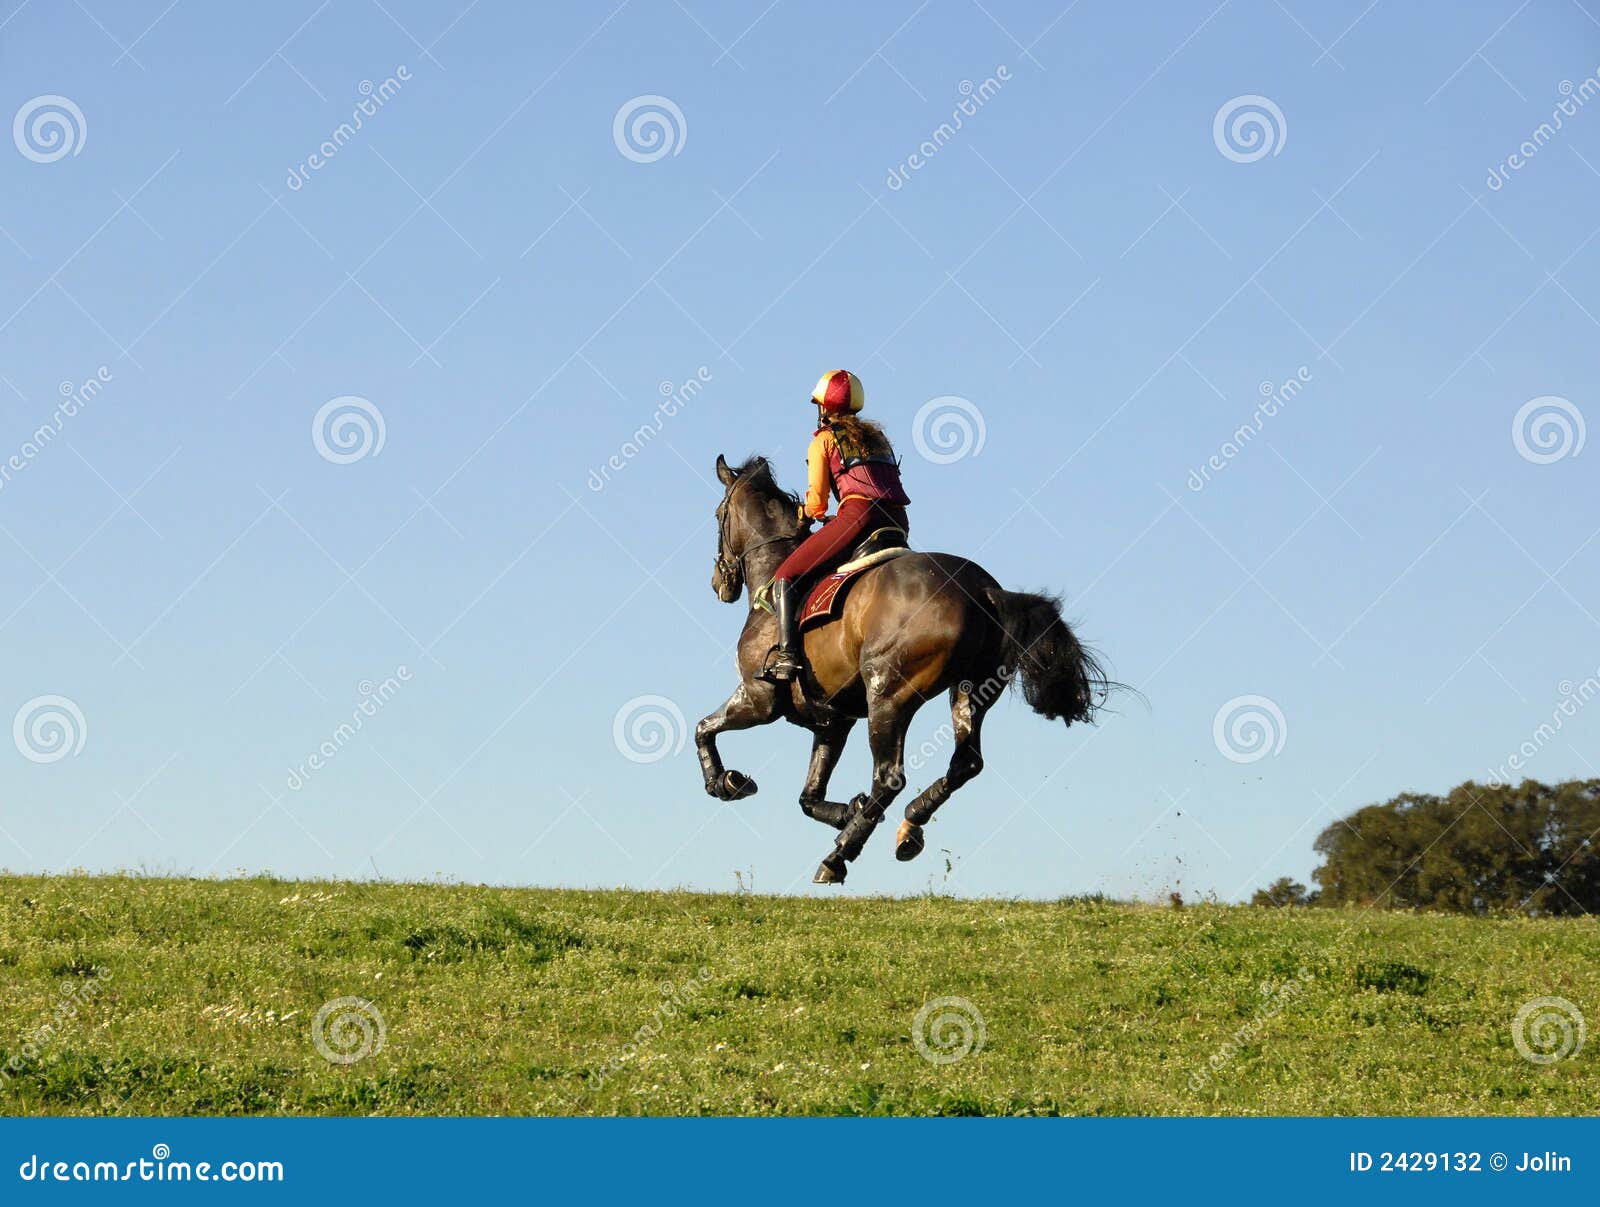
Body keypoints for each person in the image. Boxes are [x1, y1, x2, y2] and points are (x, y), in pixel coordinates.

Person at [762, 370, 911, 682]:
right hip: (898, 522)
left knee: (785, 575)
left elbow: (817, 504)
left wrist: (804, 514)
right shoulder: (878, 439)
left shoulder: (824, 441)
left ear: (824, 408)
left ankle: (787, 656)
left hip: (859, 517)